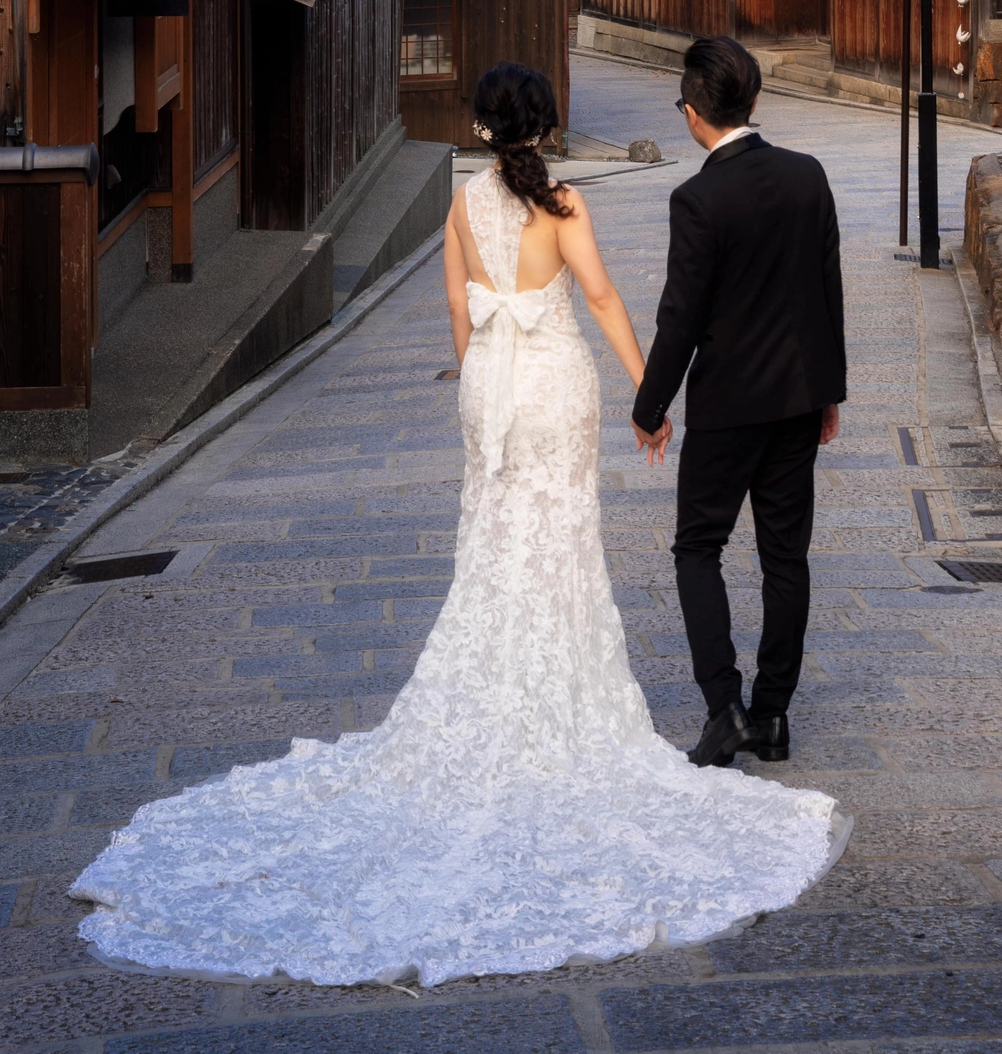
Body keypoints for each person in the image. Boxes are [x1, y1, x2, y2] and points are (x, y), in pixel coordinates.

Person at [71, 62, 846, 989]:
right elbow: (603, 298)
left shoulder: (460, 208)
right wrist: (648, 394)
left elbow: (455, 310)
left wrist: (484, 385)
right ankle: (740, 709)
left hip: (494, 387)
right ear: (547, 125)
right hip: (568, 387)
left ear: (482, 130)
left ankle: (681, 702)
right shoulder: (567, 206)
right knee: (618, 547)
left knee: (504, 547)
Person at [632, 35, 846, 772]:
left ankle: (724, 708)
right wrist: (829, 390)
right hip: (794, 398)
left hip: (726, 406)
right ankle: (774, 714)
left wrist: (649, 404)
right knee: (785, 554)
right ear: (754, 101)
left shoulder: (697, 198)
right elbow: (828, 289)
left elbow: (680, 316)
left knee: (699, 547)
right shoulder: (807, 176)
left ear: (695, 114)